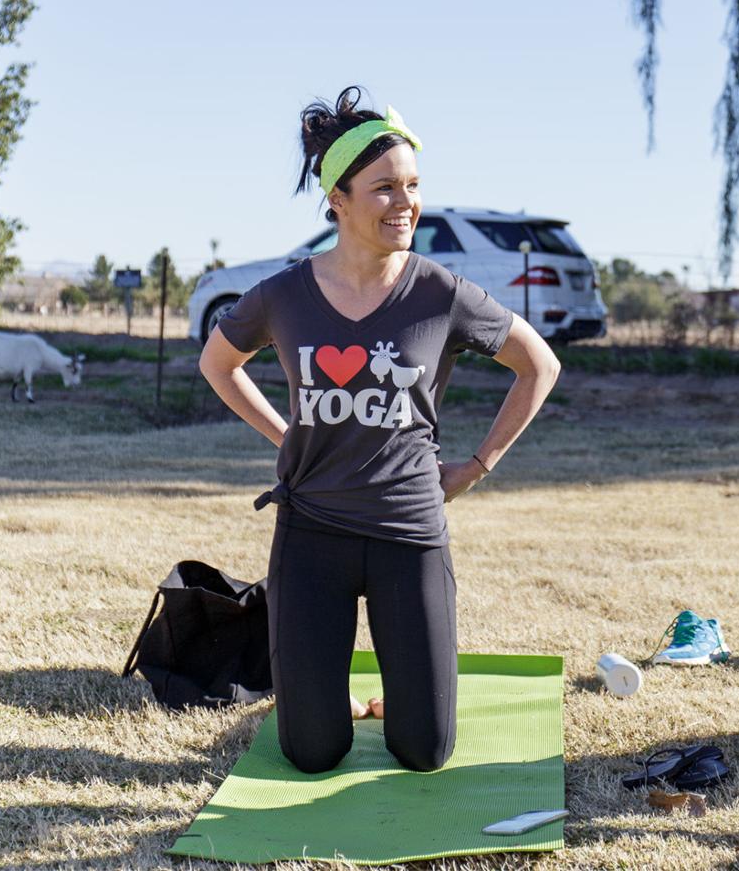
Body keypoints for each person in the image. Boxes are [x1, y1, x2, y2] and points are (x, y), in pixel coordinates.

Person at [199, 87, 560, 774]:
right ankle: (321, 700)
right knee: (312, 752)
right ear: (338, 199)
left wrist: (476, 466)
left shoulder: (441, 292)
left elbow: (538, 365)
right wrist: (287, 436)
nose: (405, 203)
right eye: (385, 188)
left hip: (408, 532)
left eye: (413, 186)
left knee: (424, 752)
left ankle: (395, 700)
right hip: (312, 532)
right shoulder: (284, 293)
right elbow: (218, 363)